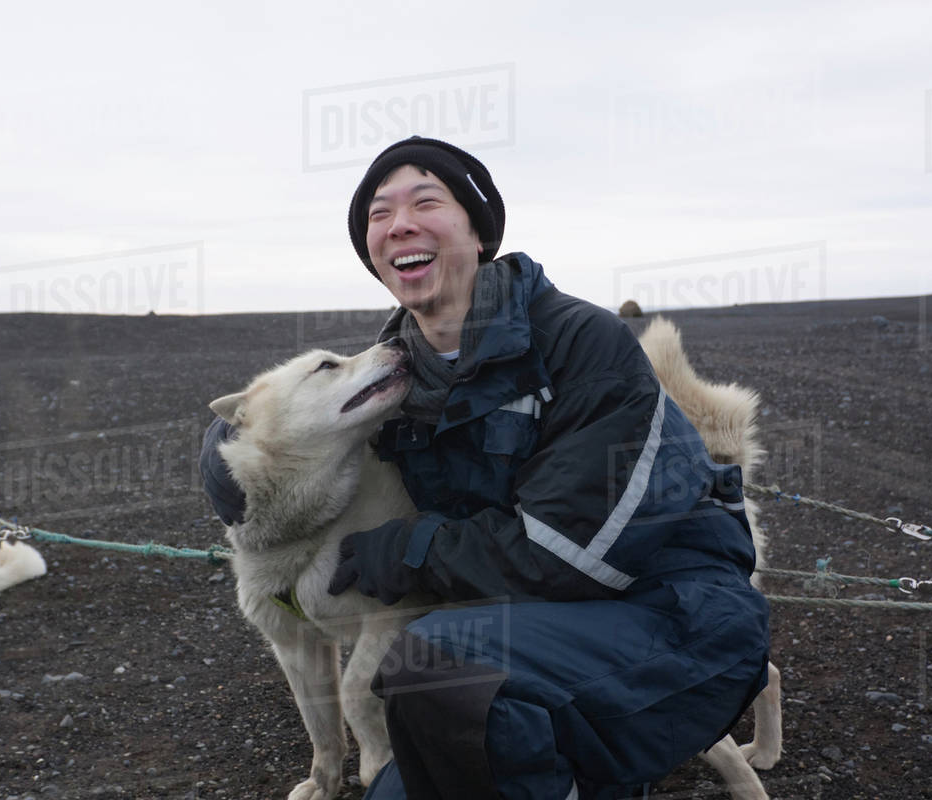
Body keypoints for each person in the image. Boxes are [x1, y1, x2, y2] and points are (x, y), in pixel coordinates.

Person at [200, 136, 770, 800]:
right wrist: (236, 458)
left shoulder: (581, 344)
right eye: (378, 215)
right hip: (526, 624)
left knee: (438, 663)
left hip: (672, 607)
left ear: (478, 232)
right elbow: (300, 448)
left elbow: (568, 555)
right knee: (407, 764)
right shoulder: (393, 388)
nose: (400, 223)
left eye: (426, 201)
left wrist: (412, 550)